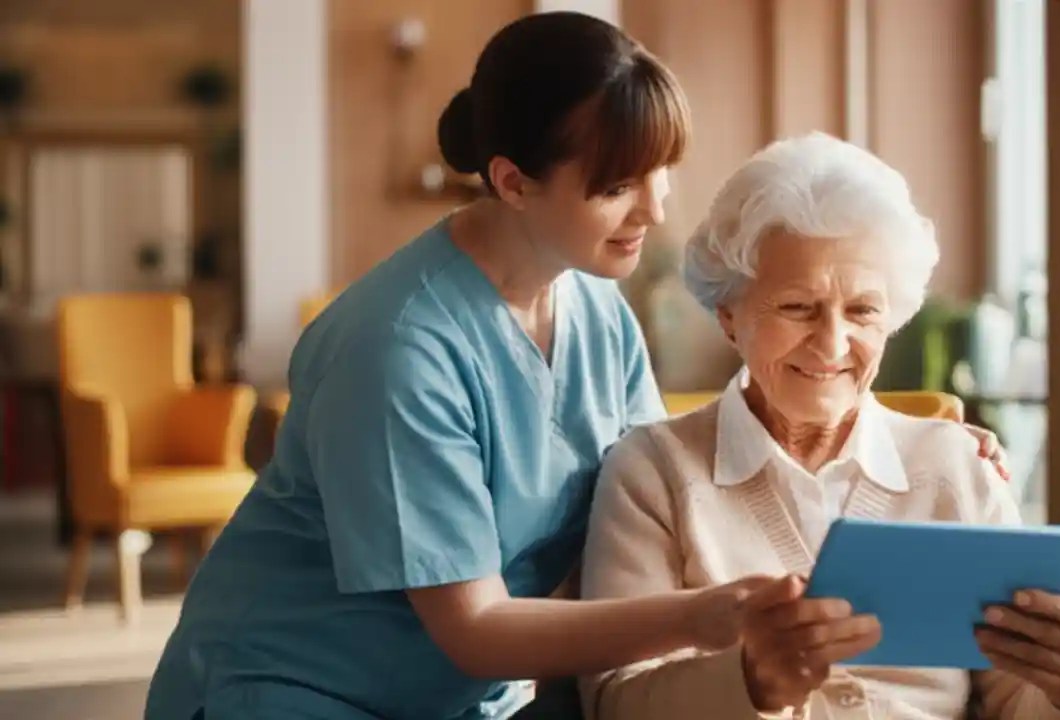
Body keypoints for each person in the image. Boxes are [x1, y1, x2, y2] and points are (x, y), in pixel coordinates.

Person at [146, 13, 756, 720]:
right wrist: (697, 618)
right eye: (618, 185)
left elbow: (645, 503)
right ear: (513, 182)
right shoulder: (398, 348)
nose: (654, 207)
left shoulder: (600, 313)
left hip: (451, 699)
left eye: (661, 171)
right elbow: (475, 627)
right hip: (289, 690)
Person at [579, 133, 1060, 720]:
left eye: (864, 310)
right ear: (728, 316)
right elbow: (615, 700)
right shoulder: (652, 471)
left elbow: (1015, 699)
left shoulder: (956, 467)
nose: (833, 344)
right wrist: (748, 684)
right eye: (797, 307)